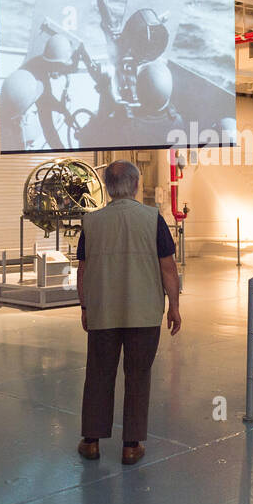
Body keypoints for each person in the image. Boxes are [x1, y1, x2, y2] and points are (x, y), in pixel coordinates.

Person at [75, 160, 181, 465]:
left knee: (98, 374)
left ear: (107, 187)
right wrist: (174, 306)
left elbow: (83, 271)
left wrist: (85, 306)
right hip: (144, 313)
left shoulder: (92, 222)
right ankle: (131, 445)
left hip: (103, 312)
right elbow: (168, 268)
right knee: (138, 375)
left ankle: (91, 441)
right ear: (135, 185)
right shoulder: (152, 218)